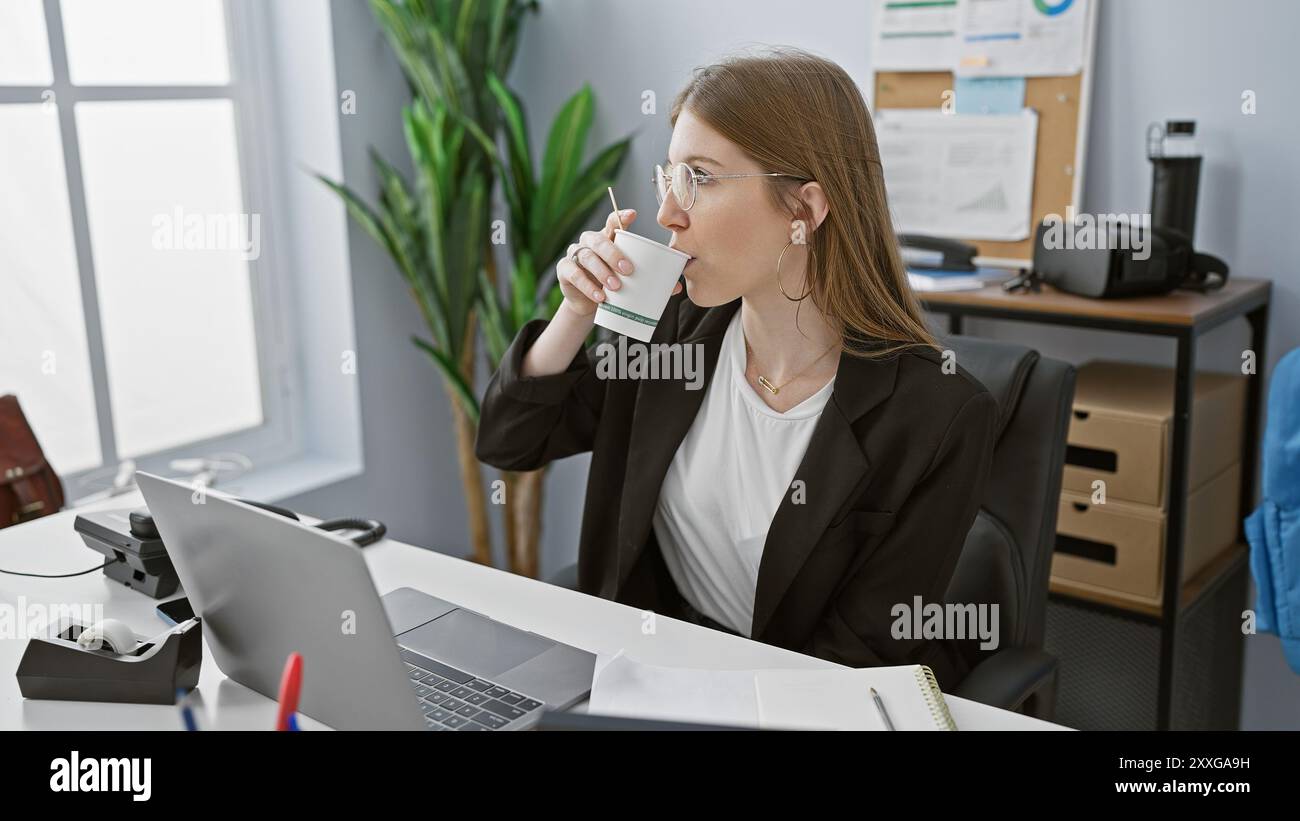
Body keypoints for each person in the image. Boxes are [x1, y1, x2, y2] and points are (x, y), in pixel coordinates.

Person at [475, 46, 996, 690]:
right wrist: (575, 313)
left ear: (804, 211)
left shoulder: (938, 415)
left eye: (701, 177)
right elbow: (508, 440)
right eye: (671, 176)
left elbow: (863, 651)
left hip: (797, 704)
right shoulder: (667, 332)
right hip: (649, 672)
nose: (667, 212)